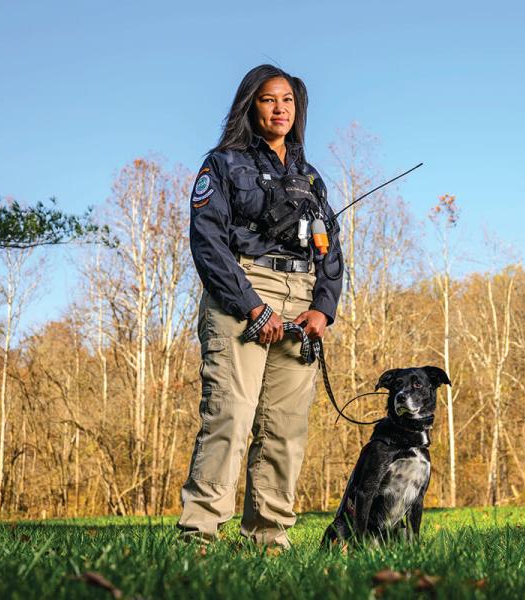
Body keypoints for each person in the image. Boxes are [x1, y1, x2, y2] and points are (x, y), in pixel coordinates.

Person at [178, 64, 343, 548]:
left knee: (286, 428)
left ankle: (268, 538)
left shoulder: (309, 177)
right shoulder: (223, 164)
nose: (280, 109)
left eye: (288, 100)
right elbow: (208, 242)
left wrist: (323, 308)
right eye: (270, 100)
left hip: (301, 302)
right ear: (251, 105)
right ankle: (199, 535)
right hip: (242, 295)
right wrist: (253, 307)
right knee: (230, 415)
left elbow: (331, 250)